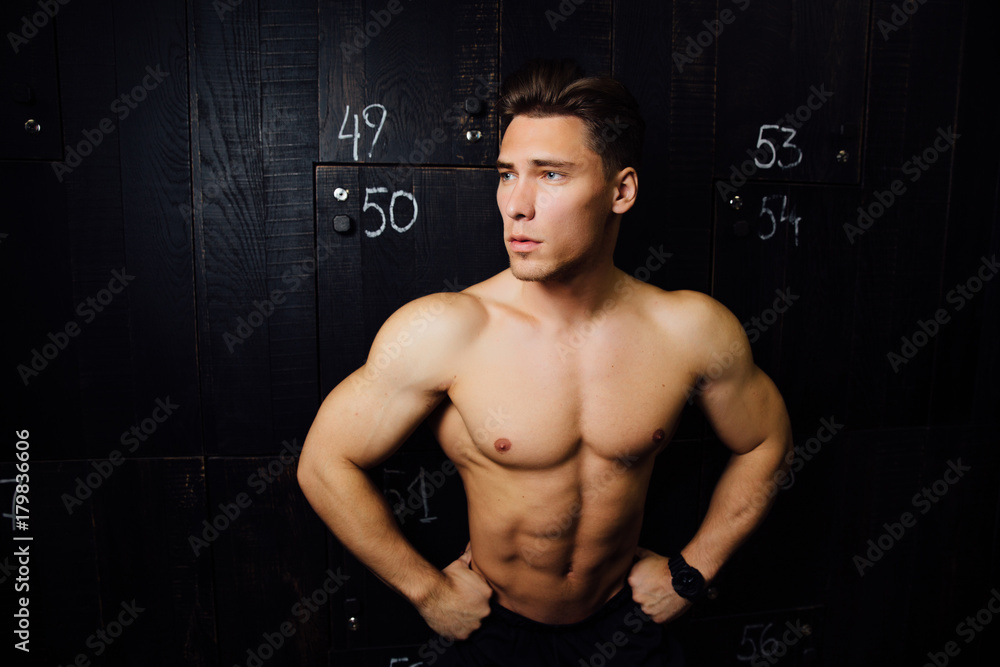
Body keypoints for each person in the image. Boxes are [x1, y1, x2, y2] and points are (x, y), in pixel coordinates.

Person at [298, 60, 793, 666]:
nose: (517, 205)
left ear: (621, 190)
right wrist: (428, 592)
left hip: (625, 627)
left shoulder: (689, 329)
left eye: (551, 174)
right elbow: (325, 462)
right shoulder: (447, 330)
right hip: (492, 634)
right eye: (507, 174)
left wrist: (692, 572)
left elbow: (766, 442)